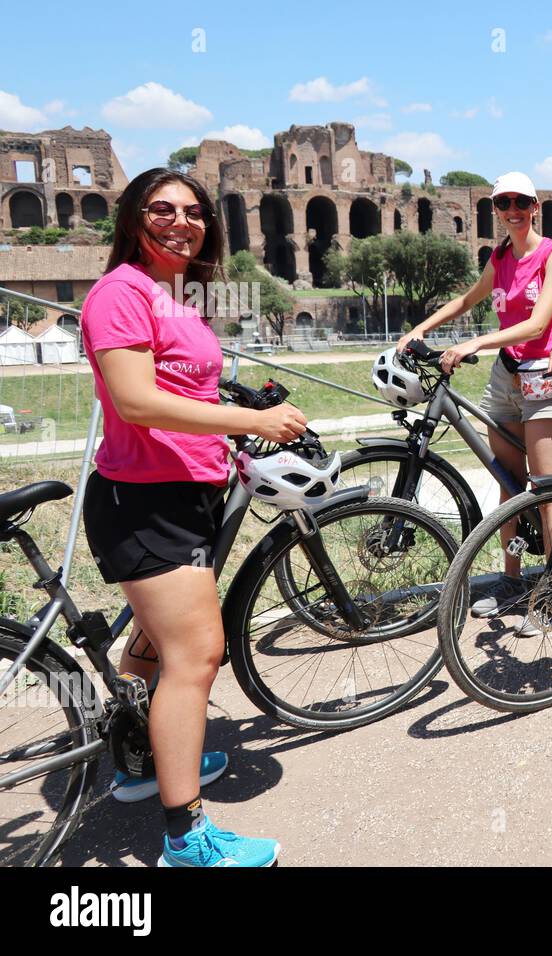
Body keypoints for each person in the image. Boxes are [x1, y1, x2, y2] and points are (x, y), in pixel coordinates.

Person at [81, 168, 305, 866]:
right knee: (197, 655)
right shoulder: (121, 291)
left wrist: (225, 433)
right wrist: (253, 421)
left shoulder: (172, 295)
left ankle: (139, 760)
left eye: (194, 211)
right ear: (130, 219)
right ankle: (186, 839)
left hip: (181, 495)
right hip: (146, 503)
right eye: (162, 210)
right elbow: (137, 401)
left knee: (154, 645)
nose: (182, 221)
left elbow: (185, 386)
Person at [397, 171, 552, 621]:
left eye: (521, 202)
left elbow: (538, 324)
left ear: (535, 207)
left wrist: (475, 343)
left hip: (546, 377)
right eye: (503, 204)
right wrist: (421, 328)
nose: (512, 210)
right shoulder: (499, 257)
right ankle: (513, 579)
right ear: (495, 211)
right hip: (506, 376)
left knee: (545, 489)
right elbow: (467, 300)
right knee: (510, 487)